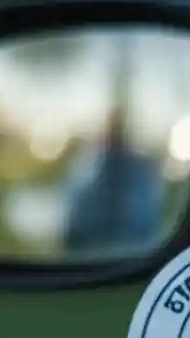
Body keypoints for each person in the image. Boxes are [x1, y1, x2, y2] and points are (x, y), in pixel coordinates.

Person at [63, 108, 164, 254]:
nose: (116, 134)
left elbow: (146, 221)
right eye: (113, 128)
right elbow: (74, 215)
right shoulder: (88, 164)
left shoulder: (141, 170)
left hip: (130, 251)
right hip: (92, 249)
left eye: (120, 128)